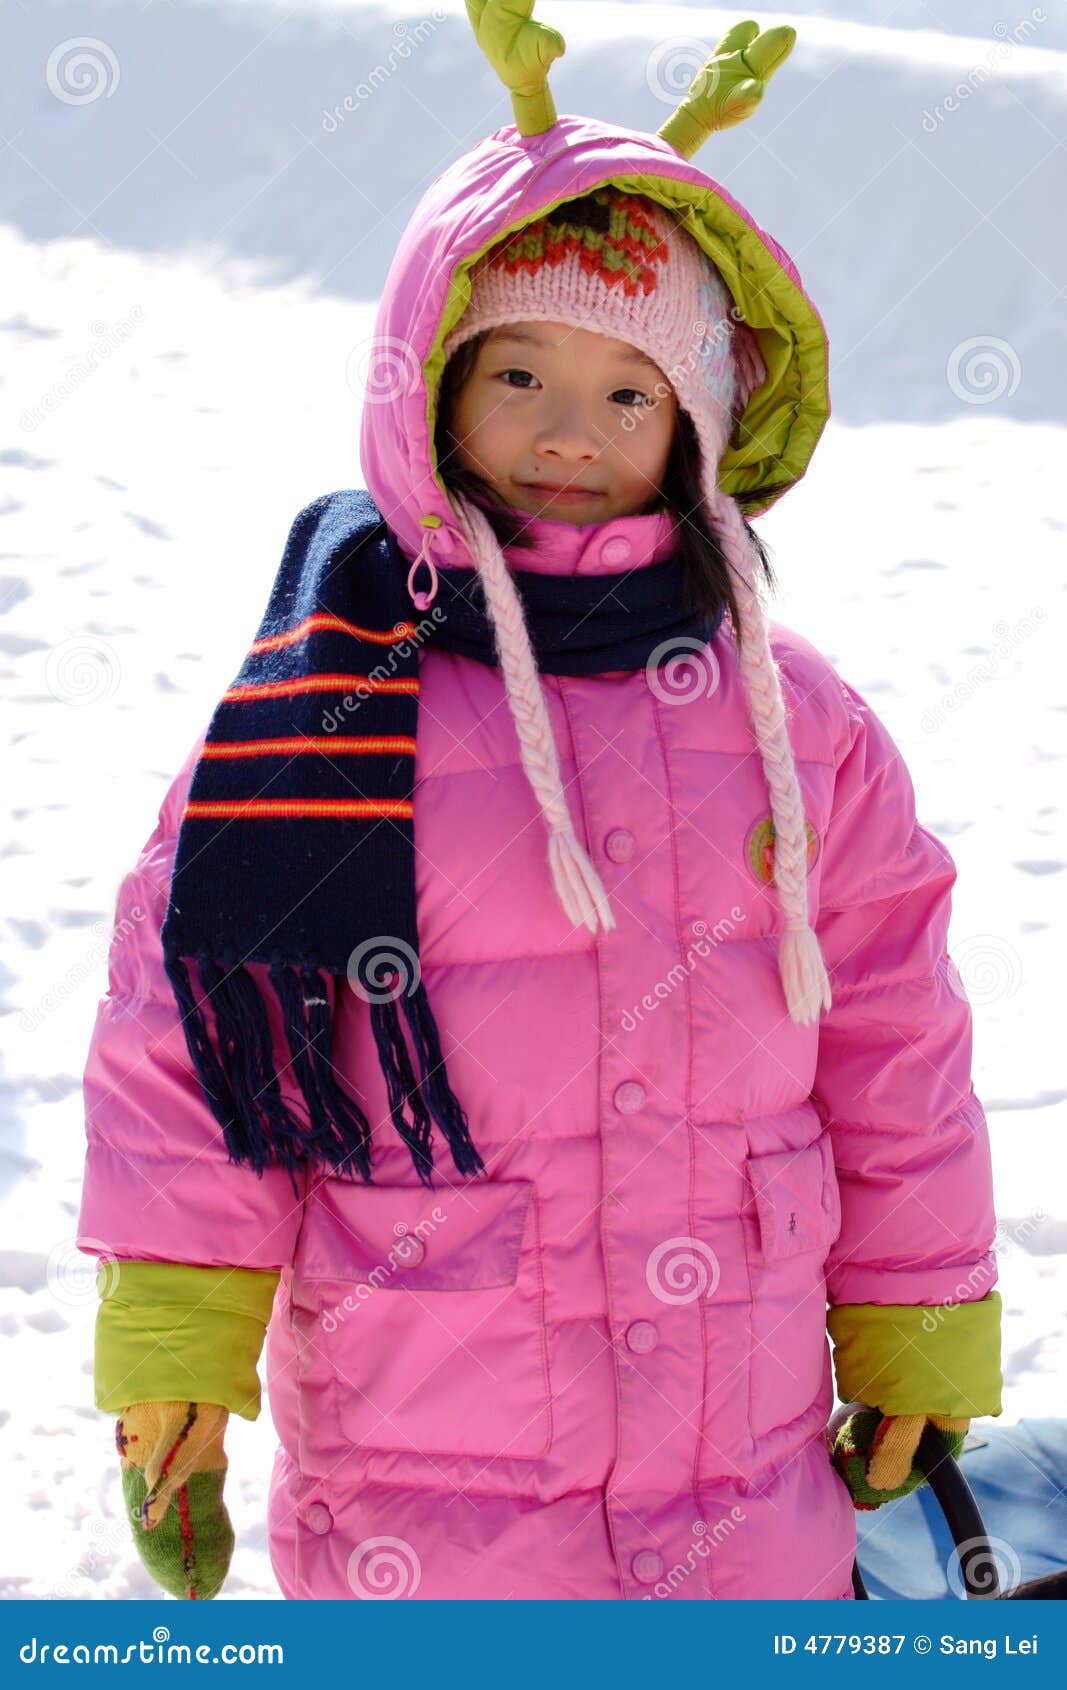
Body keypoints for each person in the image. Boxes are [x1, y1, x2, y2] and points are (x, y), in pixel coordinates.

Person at [77, 13, 1002, 1602]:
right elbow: (201, 1022)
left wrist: (919, 1315)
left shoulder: (801, 728)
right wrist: (180, 1328)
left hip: (745, 1455)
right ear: (432, 386)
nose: (571, 431)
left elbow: (895, 1031)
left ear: (700, 427)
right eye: (520, 372)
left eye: (628, 393)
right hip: (433, 1459)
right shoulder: (334, 701)